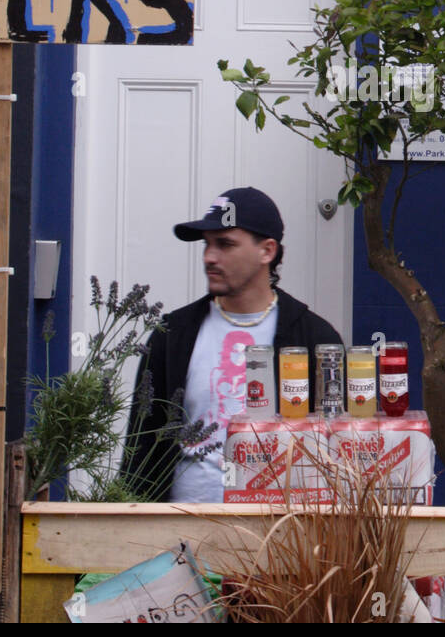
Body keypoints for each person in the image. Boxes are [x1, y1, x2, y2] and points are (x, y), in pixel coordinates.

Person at [121, 187, 343, 502]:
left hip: (282, 536)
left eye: (225, 244)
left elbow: (338, 450)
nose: (210, 257)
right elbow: (139, 449)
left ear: (267, 251)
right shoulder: (172, 334)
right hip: (177, 533)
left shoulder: (314, 339)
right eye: (207, 244)